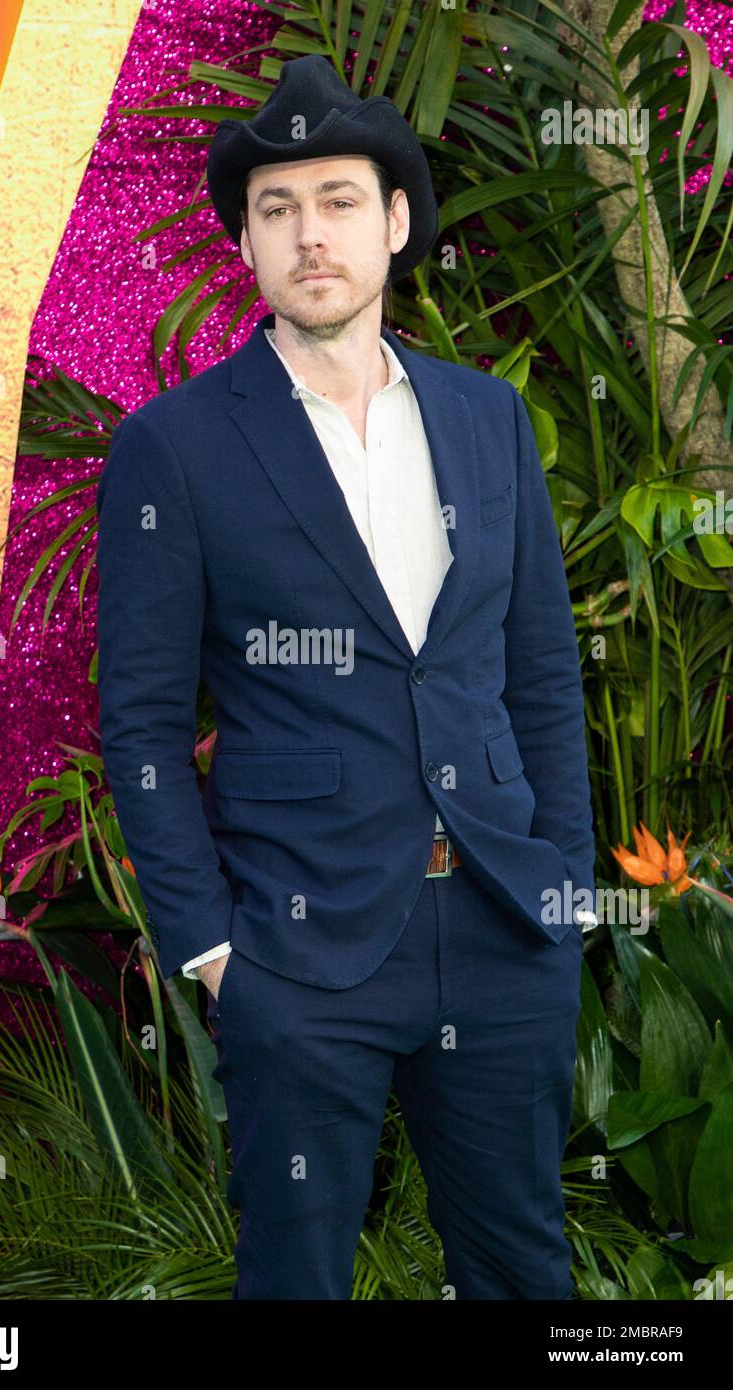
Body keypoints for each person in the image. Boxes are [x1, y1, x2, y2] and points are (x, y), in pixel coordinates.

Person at [96, 54, 596, 1300]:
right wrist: (211, 951)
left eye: (334, 199)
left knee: (522, 1269)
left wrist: (567, 897)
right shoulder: (175, 446)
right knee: (297, 1277)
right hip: (297, 947)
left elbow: (539, 671)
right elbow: (145, 723)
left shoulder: (487, 420)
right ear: (249, 245)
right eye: (276, 209)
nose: (307, 234)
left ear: (394, 221)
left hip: (497, 923)